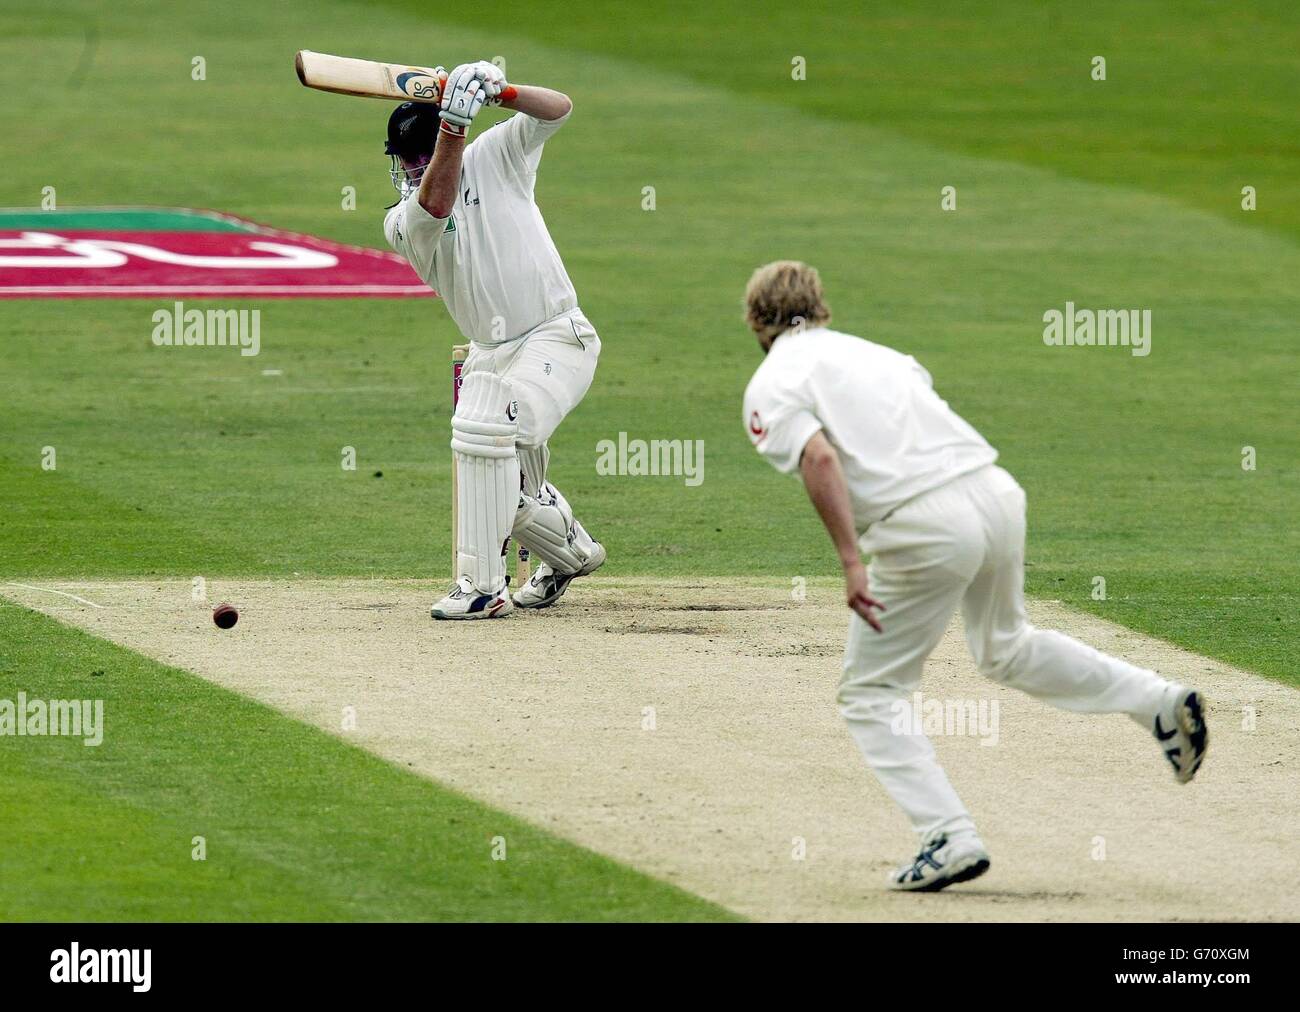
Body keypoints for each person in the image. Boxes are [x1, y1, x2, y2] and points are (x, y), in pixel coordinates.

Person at [740, 260, 1208, 891]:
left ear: (755, 322)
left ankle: (948, 835)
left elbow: (819, 456)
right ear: (821, 306)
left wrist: (852, 561)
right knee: (1006, 646)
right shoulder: (881, 355)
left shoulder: (771, 382)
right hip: (996, 493)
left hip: (926, 525)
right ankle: (1157, 701)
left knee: (871, 694)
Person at [383, 61, 605, 620]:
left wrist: (499, 90)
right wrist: (452, 130)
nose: (412, 169)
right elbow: (436, 203)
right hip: (491, 353)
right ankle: (570, 551)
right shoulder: (402, 221)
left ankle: (481, 587)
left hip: (558, 336)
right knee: (506, 482)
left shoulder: (495, 153)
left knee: (486, 423)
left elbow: (558, 106)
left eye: (419, 154)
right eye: (404, 160)